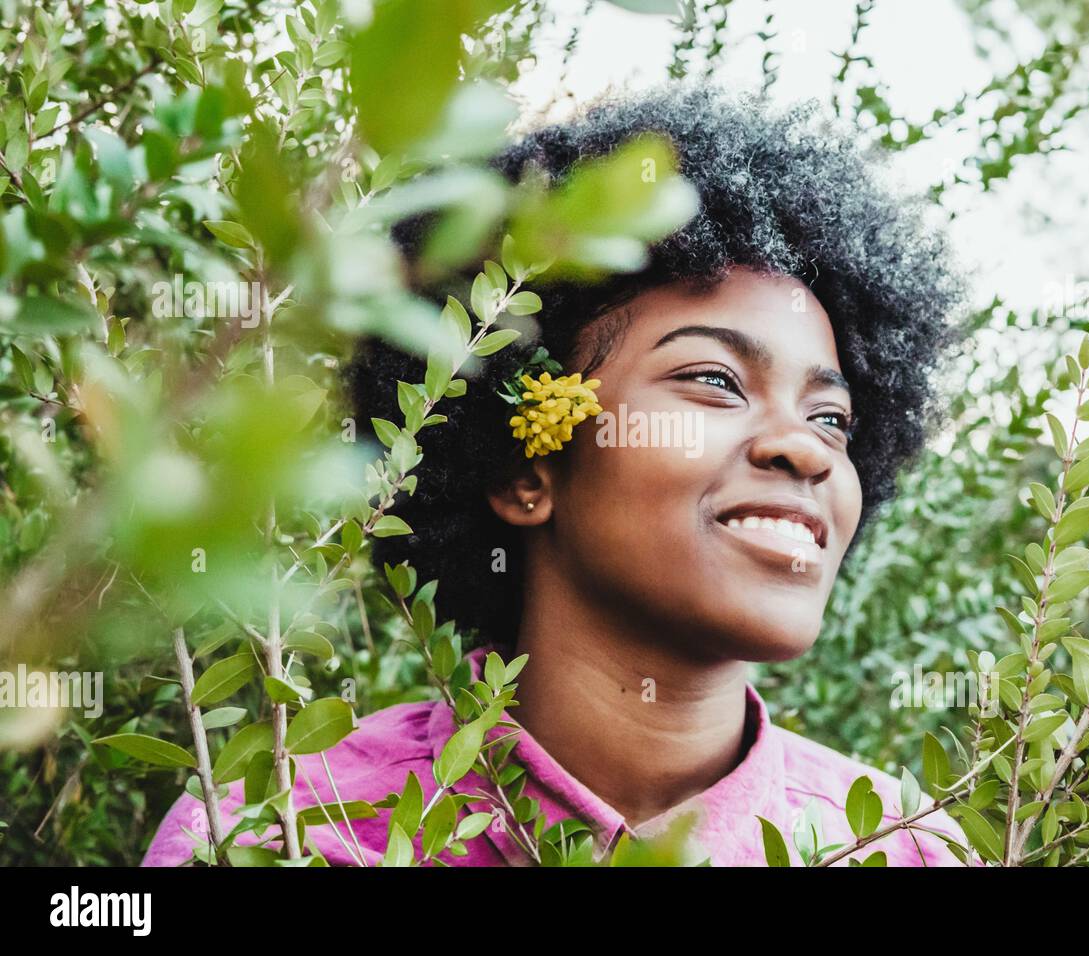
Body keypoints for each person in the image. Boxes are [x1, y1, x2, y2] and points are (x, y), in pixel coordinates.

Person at [143, 84, 972, 867]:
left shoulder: (910, 851)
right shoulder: (284, 830)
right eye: (715, 382)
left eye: (833, 419)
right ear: (523, 469)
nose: (807, 449)